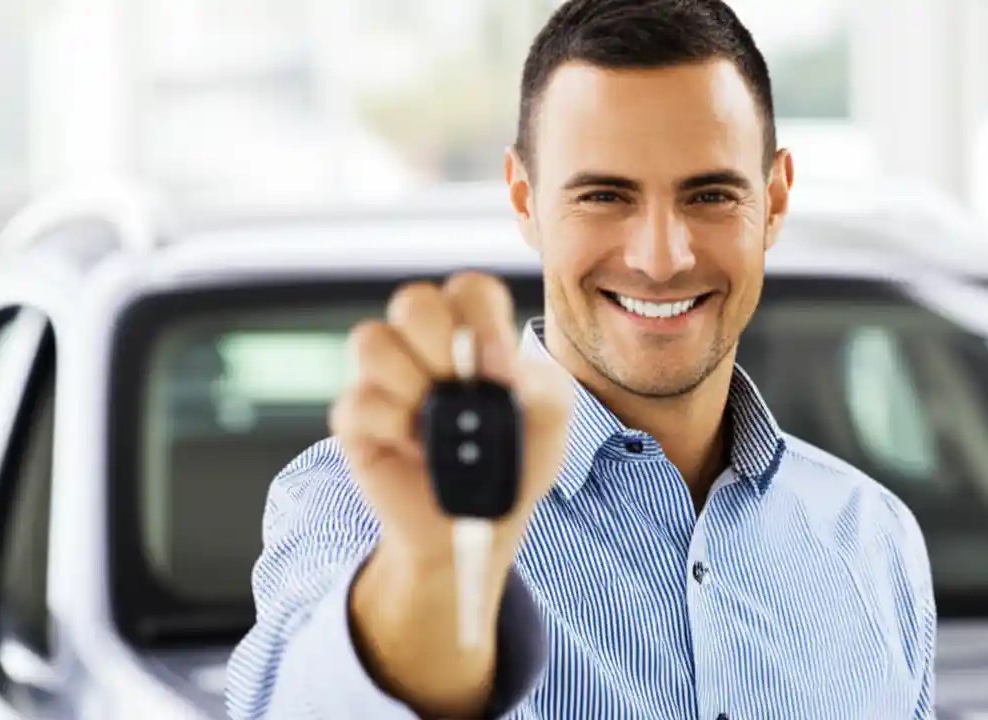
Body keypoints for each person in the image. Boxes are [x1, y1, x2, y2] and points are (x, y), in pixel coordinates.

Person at [226, 0, 935, 717]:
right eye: (604, 195)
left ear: (775, 199)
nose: (662, 258)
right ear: (524, 198)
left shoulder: (875, 540)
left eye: (711, 194)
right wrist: (432, 581)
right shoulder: (375, 504)